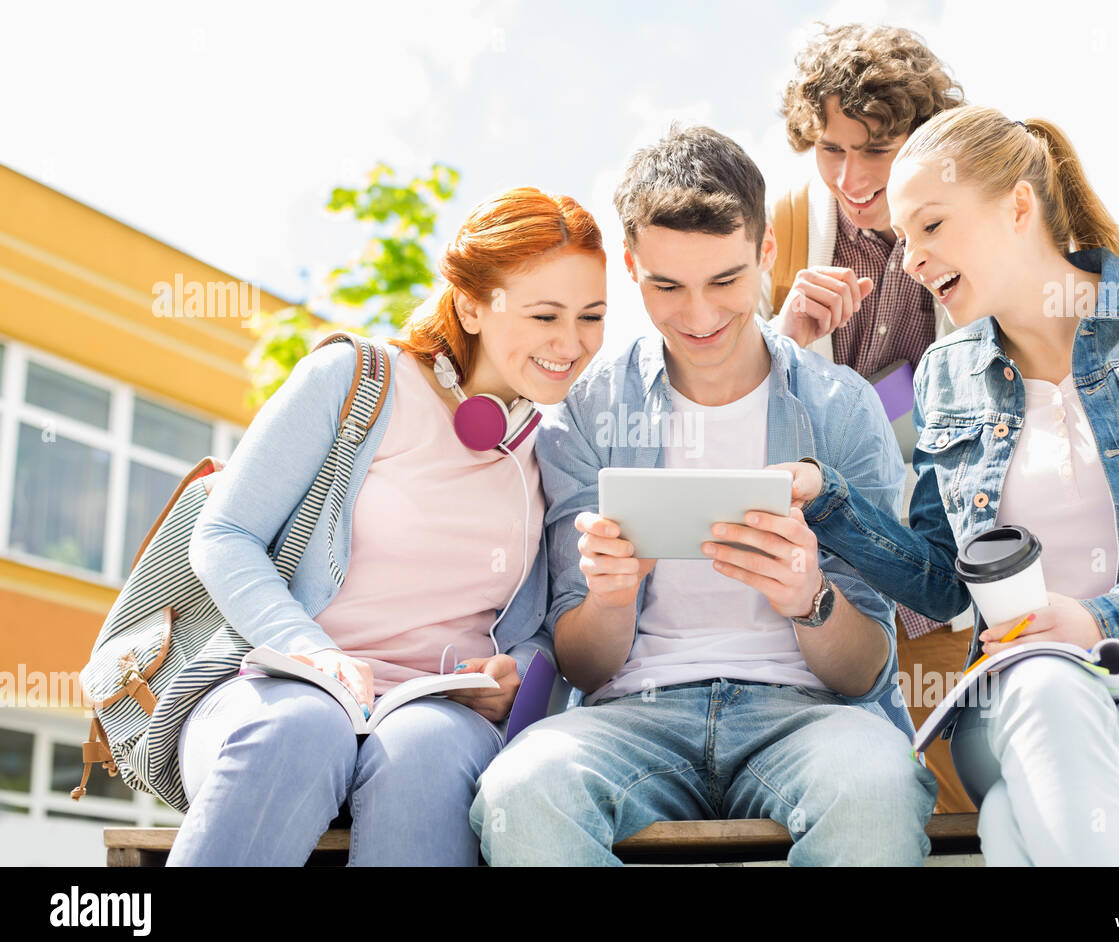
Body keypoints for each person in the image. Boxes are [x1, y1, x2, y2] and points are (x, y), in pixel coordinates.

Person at [777, 105, 1119, 865]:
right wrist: (828, 499)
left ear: (1020, 205)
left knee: (1017, 829)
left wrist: (1108, 619)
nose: (910, 258)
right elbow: (942, 585)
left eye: (931, 226)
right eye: (903, 236)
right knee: (1045, 681)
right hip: (1011, 706)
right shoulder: (948, 376)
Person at [469, 125, 937, 866]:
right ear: (630, 267)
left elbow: (868, 666)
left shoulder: (841, 407)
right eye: (666, 286)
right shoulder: (590, 410)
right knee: (523, 791)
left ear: (766, 256)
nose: (698, 316)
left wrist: (810, 599)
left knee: (877, 789)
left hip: (810, 717)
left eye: (724, 281)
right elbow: (583, 665)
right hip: (633, 716)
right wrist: (611, 600)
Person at [167, 187, 606, 866]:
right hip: (283, 692)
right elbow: (223, 537)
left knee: (424, 754)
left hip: (438, 717)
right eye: (545, 314)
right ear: (470, 304)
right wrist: (310, 652)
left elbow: (545, 634)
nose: (571, 343)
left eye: (592, 316)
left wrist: (512, 675)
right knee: (303, 728)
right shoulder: (354, 381)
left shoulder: (553, 455)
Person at [760, 22, 973, 811]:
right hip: (811, 573)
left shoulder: (967, 229)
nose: (851, 176)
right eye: (829, 148)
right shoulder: (777, 226)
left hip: (930, 564)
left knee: (953, 801)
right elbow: (714, 405)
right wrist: (788, 341)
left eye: (875, 150)